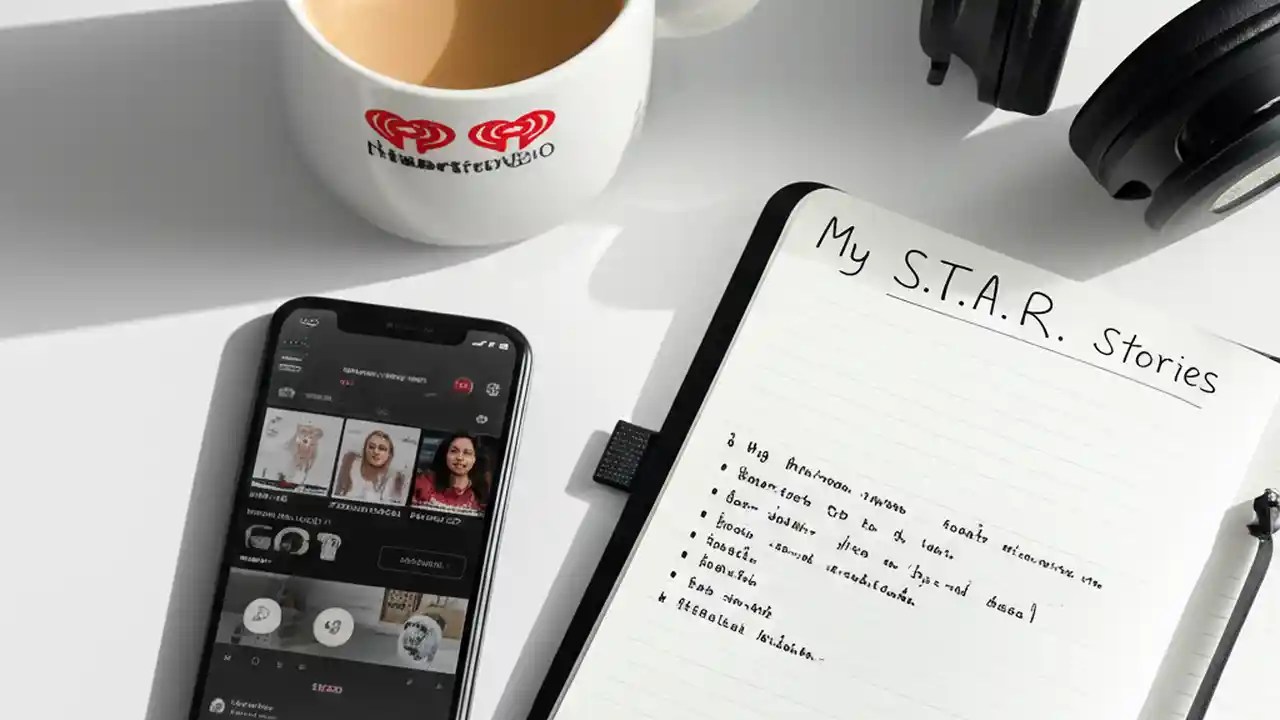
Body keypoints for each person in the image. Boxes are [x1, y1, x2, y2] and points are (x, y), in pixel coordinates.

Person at [412, 433, 489, 515]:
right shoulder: (423, 483)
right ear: (445, 455)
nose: (460, 457)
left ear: (475, 459)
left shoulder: (481, 496)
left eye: (467, 453)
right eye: (454, 451)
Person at [334, 429, 406, 505]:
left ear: (389, 454)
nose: (376, 452)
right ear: (365, 449)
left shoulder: (394, 479)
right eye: (371, 447)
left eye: (382, 448)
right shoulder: (350, 463)